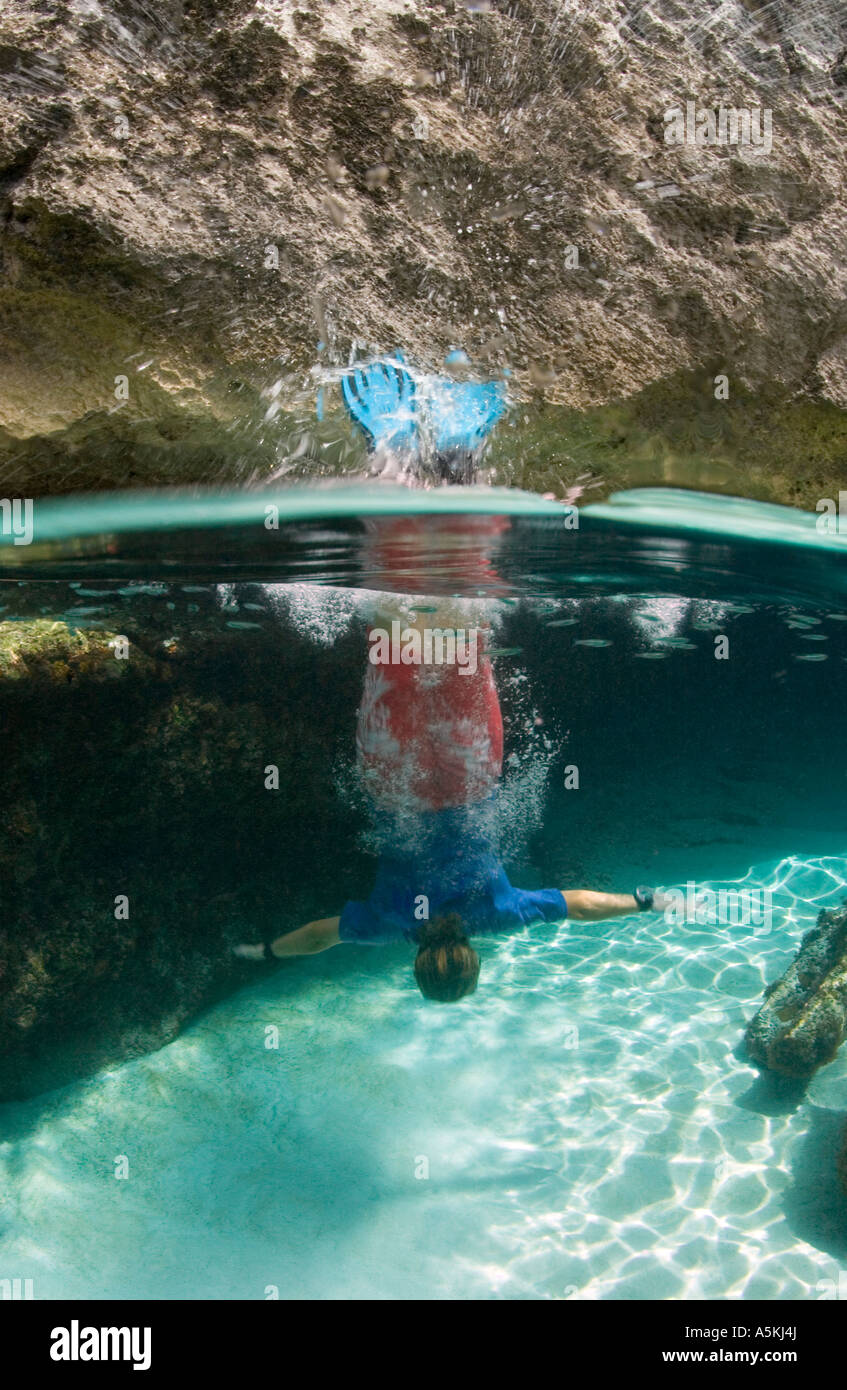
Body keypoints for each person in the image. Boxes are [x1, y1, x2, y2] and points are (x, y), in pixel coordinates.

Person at [234, 359, 671, 1000]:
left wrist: (645, 902)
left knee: (463, 628)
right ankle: (392, 447)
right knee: (397, 624)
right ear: (419, 966)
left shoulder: (499, 915)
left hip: (469, 771)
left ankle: (463, 450)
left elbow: (579, 904)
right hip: (396, 777)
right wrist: (264, 949)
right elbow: (315, 937)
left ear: (470, 959)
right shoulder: (384, 925)